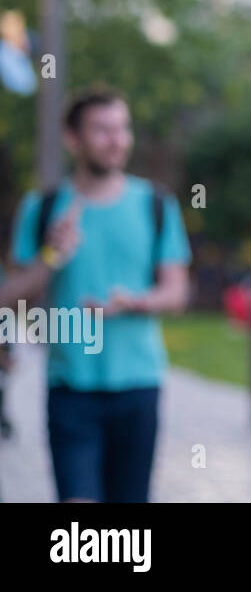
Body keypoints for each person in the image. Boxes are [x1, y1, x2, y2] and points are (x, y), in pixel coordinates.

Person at [7, 84, 191, 502]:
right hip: (70, 389)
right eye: (102, 130)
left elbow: (177, 292)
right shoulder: (44, 207)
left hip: (138, 387)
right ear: (74, 139)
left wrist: (134, 302)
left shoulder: (156, 204)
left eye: (122, 129)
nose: (117, 141)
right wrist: (50, 257)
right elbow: (11, 300)